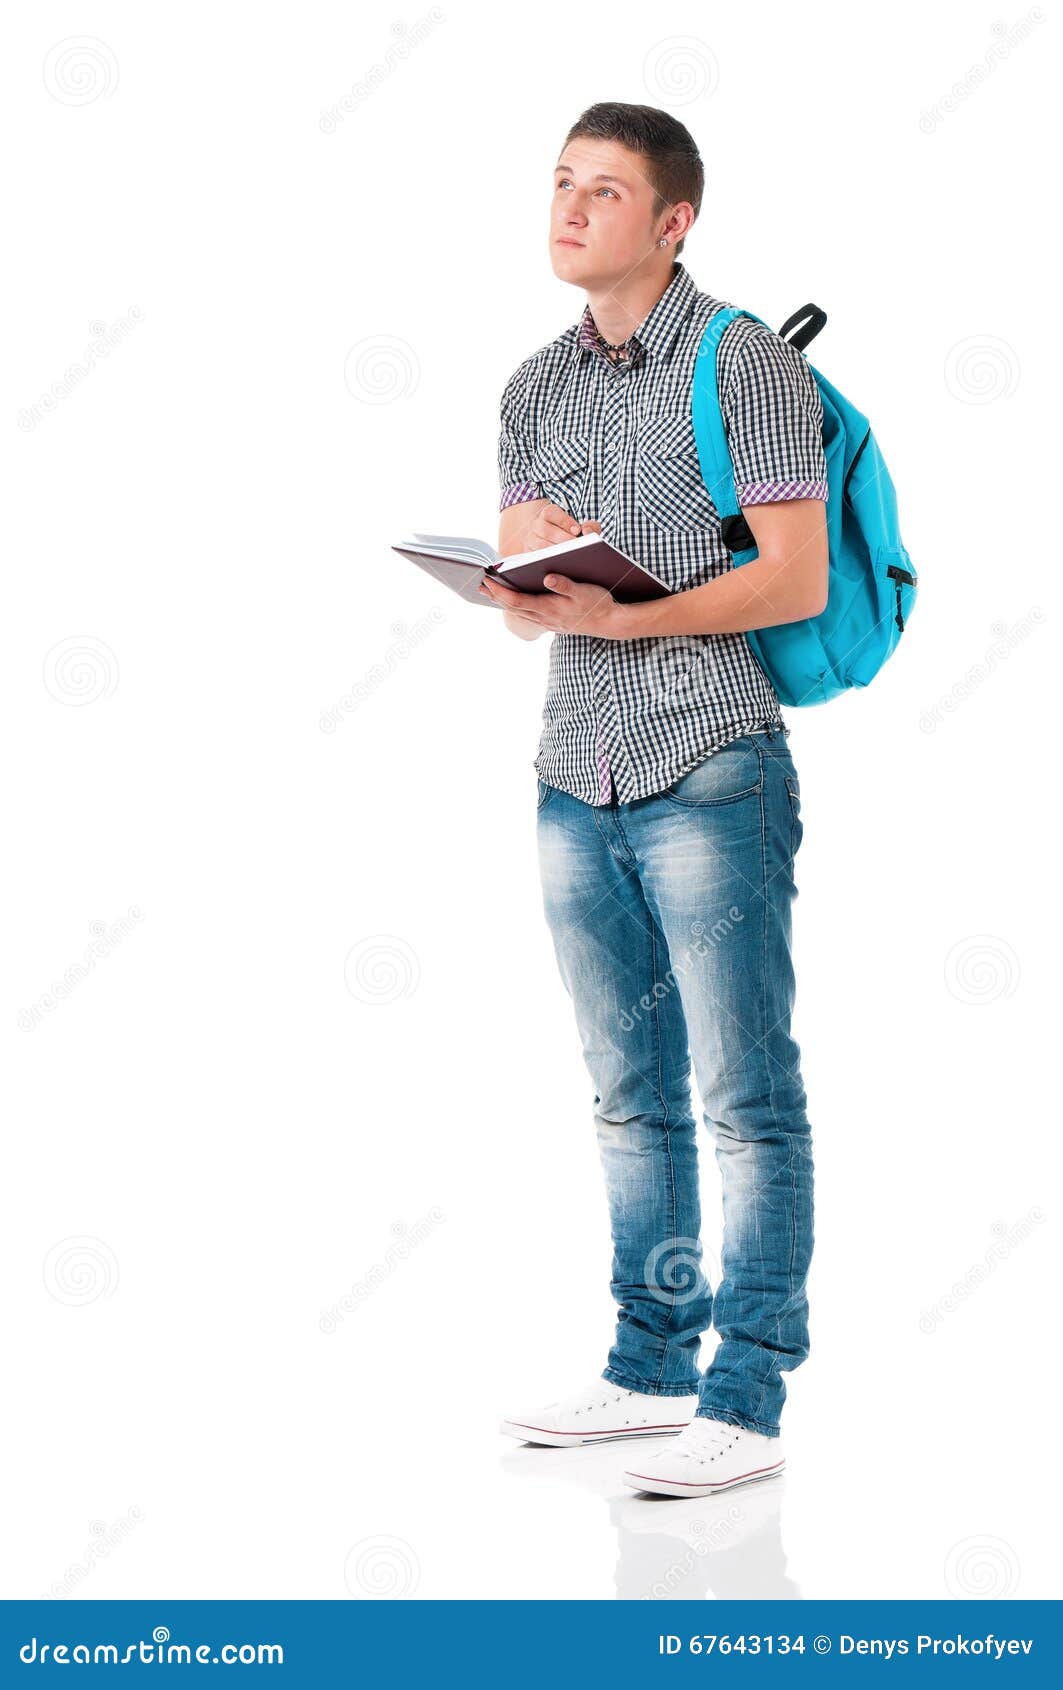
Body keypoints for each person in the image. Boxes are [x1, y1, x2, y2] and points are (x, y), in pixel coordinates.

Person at [483, 103, 828, 1499]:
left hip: (711, 764)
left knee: (745, 1092)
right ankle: (648, 1367)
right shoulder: (532, 385)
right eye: (561, 182)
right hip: (577, 770)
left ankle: (747, 1393)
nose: (570, 209)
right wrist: (520, 589)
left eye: (605, 191)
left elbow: (795, 576)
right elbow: (529, 583)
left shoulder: (744, 363)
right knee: (628, 1094)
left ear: (673, 222)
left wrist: (630, 617)